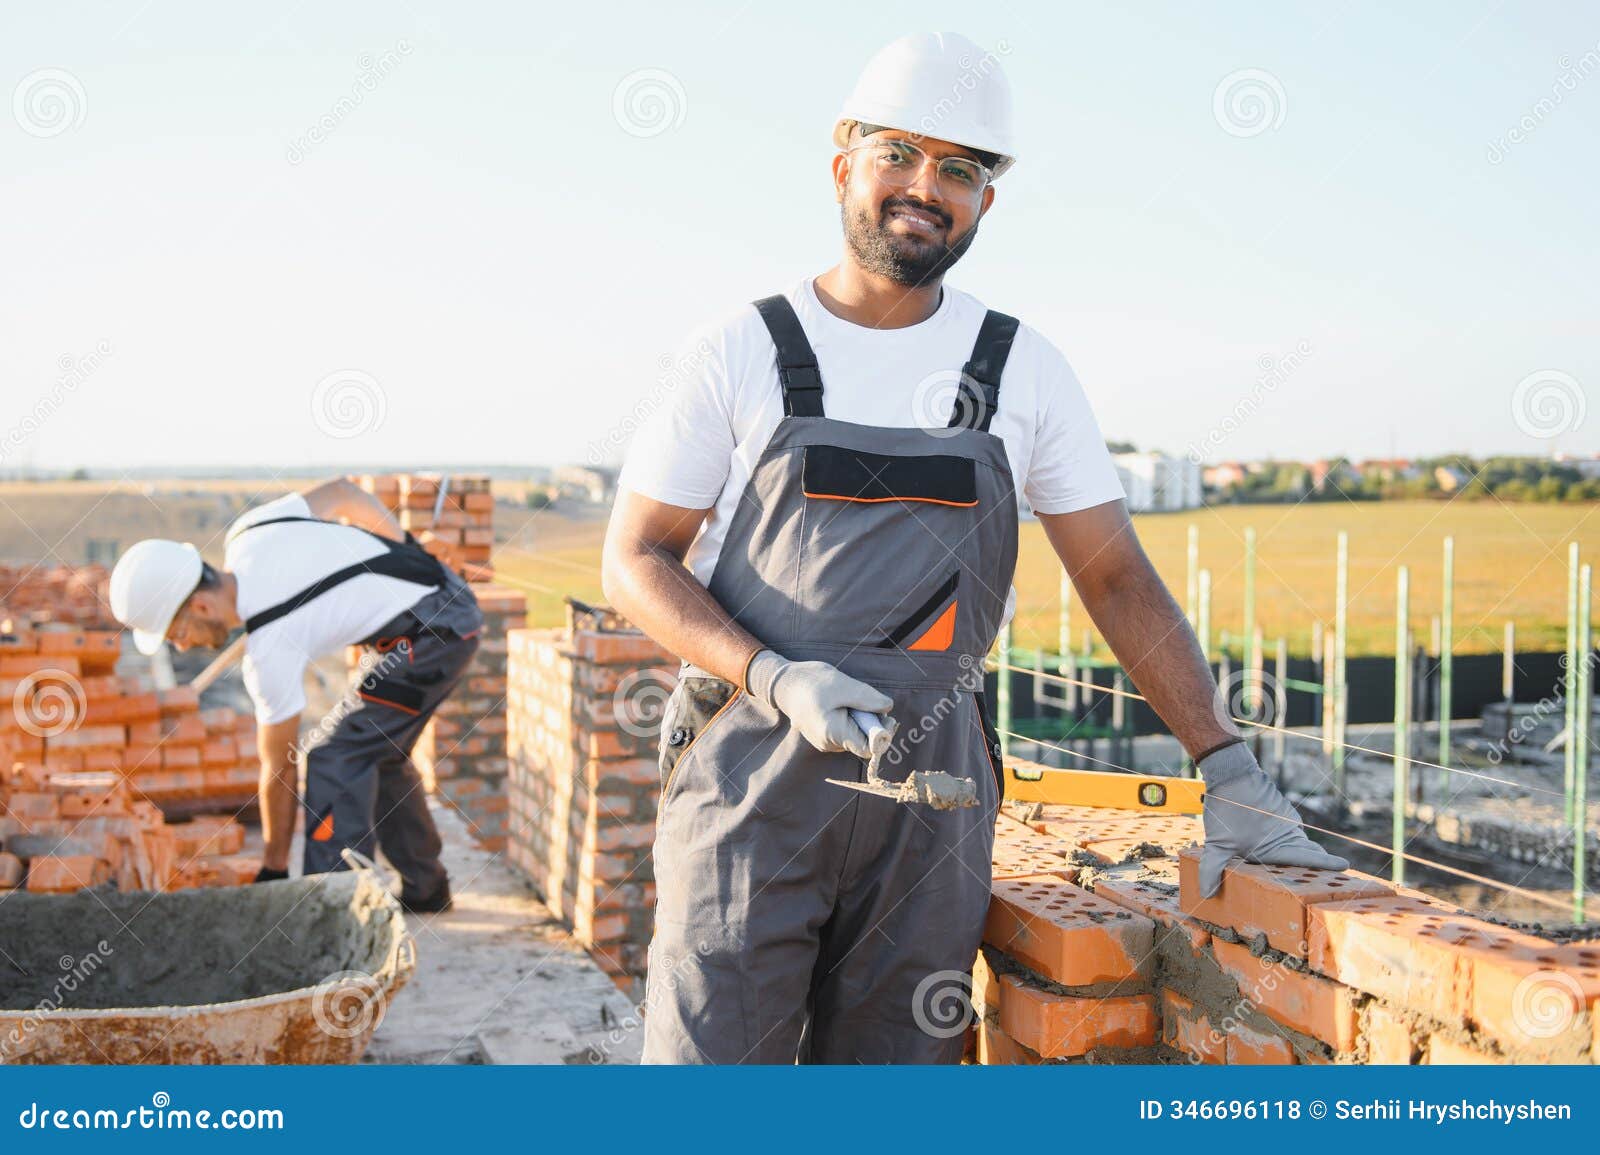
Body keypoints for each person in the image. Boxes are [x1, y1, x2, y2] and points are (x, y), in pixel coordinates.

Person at [602, 31, 1347, 1064]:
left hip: (929, 816)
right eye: (899, 154)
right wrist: (773, 675)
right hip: (748, 800)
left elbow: (1115, 575)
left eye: (960, 168)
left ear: (985, 202)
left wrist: (1226, 768)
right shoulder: (742, 351)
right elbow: (636, 557)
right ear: (842, 168)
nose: (926, 186)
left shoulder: (1021, 370)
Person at [108, 478, 483, 912]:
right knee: (376, 750)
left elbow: (279, 768)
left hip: (435, 633)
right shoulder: (250, 531)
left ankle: (335, 912)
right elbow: (344, 492)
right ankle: (425, 888)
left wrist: (273, 866)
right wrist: (408, 549)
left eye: (177, 634)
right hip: (436, 609)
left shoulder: (270, 646)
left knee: (334, 756)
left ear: (203, 607)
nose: (183, 647)